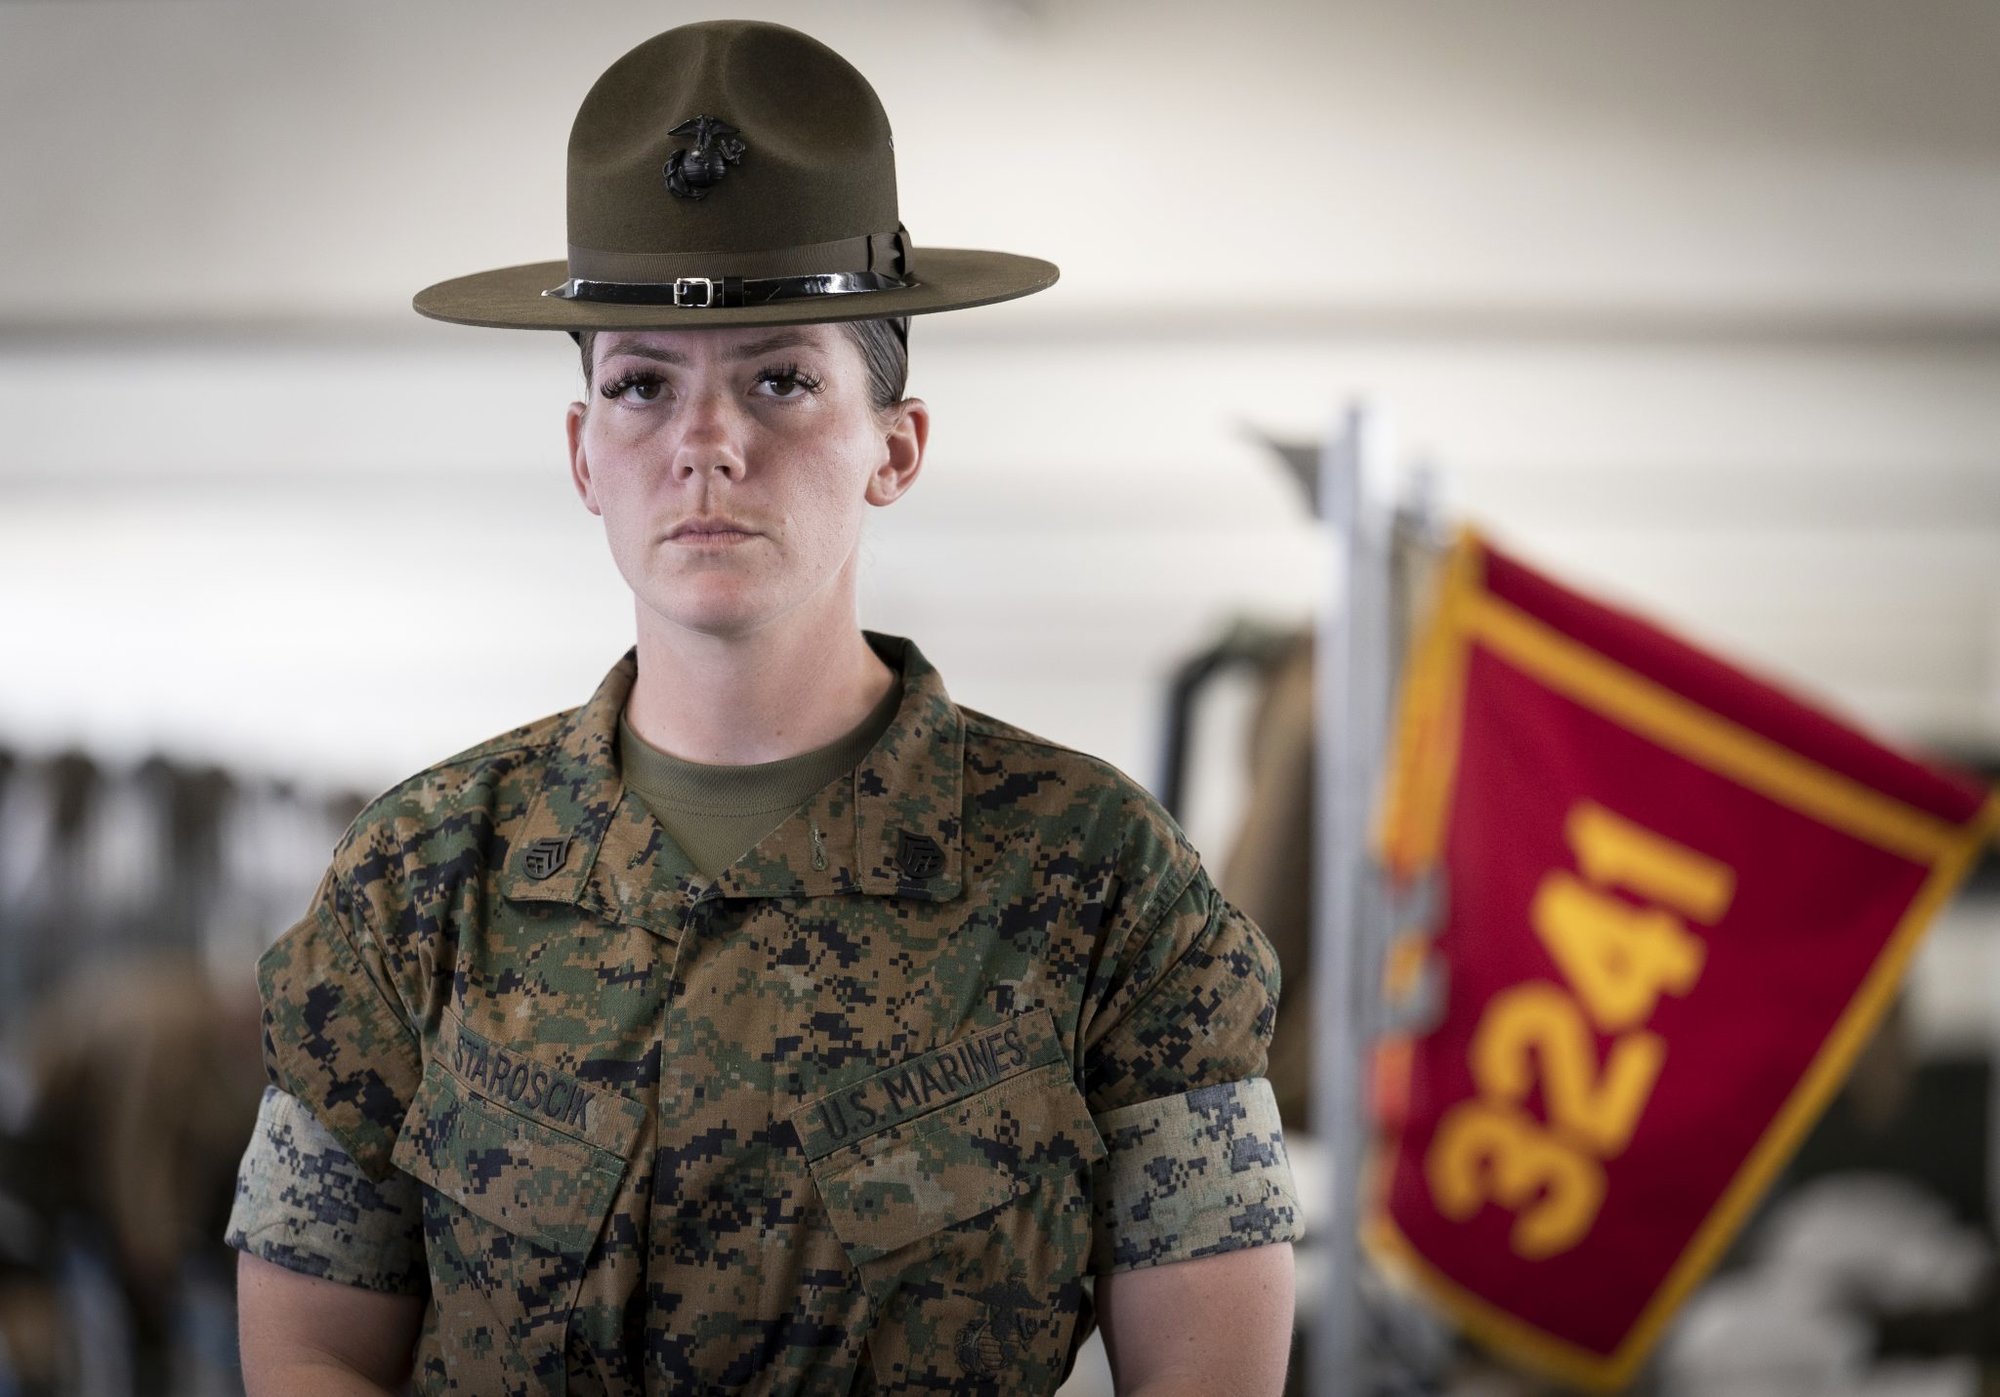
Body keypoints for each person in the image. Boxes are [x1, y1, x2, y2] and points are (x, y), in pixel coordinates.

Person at [227, 19, 1300, 1396]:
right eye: (640, 386)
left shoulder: (1097, 882)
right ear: (582, 453)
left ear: (895, 447)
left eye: (782, 379)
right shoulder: (420, 884)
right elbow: (312, 1345)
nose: (706, 443)